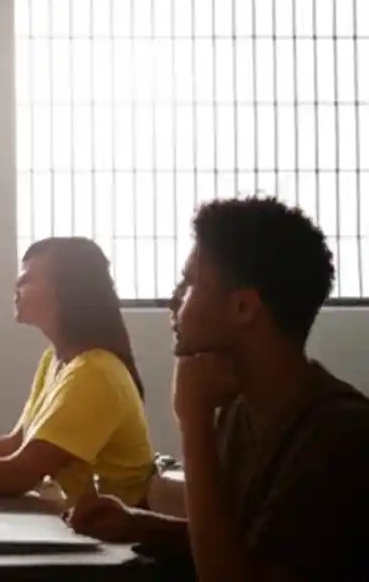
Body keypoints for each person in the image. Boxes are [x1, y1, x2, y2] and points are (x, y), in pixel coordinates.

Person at [68, 197, 369, 580]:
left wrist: (193, 425)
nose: (173, 299)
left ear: (244, 307)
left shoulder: (339, 436)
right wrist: (139, 526)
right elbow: (242, 544)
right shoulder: (241, 409)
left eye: (191, 282)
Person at [0, 238, 154, 506]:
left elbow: (19, 473)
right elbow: (17, 444)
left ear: (65, 291)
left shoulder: (96, 372)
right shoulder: (55, 360)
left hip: (116, 540)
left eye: (27, 278)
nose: (16, 286)